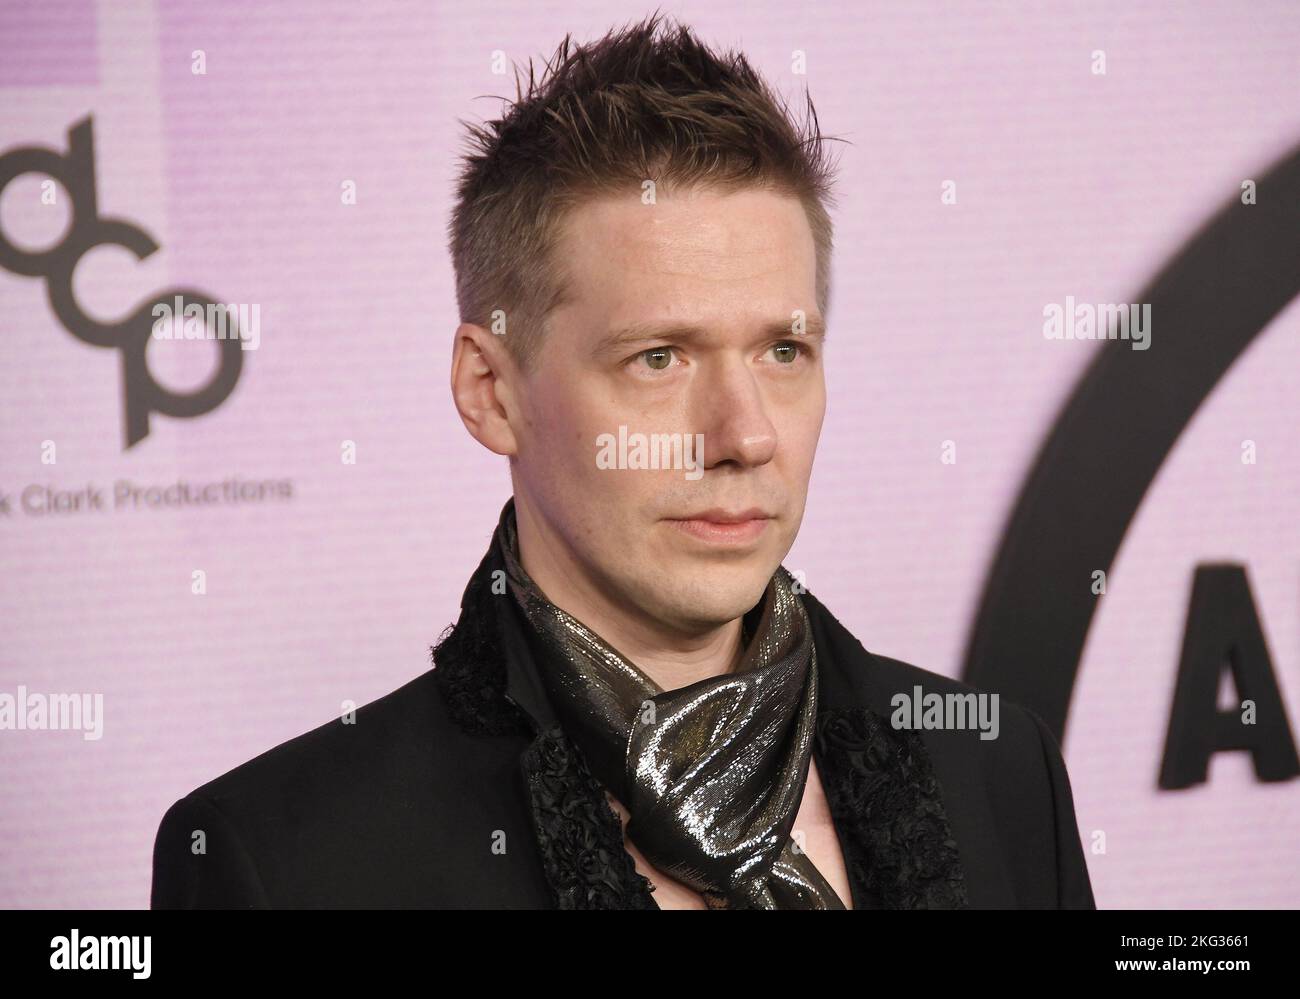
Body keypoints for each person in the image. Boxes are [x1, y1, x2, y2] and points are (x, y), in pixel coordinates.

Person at [151, 13, 1095, 910]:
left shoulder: (1000, 772)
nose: (744, 435)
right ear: (491, 390)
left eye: (782, 351)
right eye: (658, 358)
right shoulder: (286, 862)